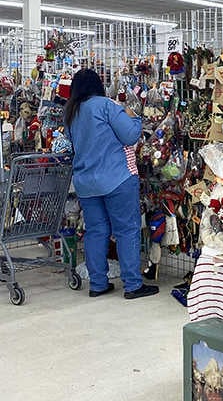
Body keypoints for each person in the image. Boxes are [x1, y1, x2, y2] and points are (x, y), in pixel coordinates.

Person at [64, 69, 158, 300]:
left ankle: (97, 283)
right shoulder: (106, 105)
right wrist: (135, 117)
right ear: (98, 85)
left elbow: (72, 143)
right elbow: (129, 136)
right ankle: (133, 285)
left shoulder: (72, 112)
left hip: (85, 182)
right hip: (117, 178)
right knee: (127, 230)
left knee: (95, 232)